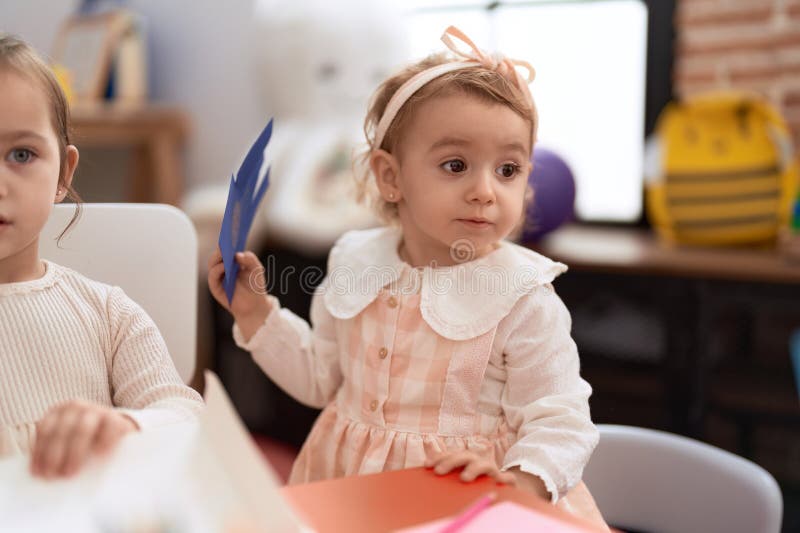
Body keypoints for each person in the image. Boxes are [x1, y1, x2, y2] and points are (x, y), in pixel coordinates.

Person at [210, 25, 601, 518]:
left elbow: (561, 417)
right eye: (456, 165)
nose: (485, 190)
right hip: (353, 490)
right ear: (390, 176)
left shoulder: (520, 295)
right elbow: (319, 378)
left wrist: (521, 481)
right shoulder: (356, 260)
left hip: (473, 499)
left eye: (508, 170)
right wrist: (256, 314)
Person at [0, 34, 203, 478]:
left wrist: (125, 426)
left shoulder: (108, 313)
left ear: (63, 173)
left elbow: (187, 418)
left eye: (21, 154)